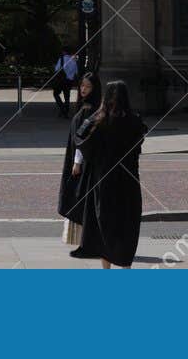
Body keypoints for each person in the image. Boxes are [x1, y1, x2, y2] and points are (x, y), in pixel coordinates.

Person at [70, 79, 146, 269]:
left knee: (105, 223)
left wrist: (90, 157)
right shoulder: (134, 120)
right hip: (128, 180)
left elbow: (79, 137)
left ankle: (106, 270)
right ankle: (126, 266)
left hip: (104, 179)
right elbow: (139, 141)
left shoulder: (98, 119)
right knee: (127, 223)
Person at [57, 70, 100, 247]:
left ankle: (85, 238)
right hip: (82, 160)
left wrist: (77, 162)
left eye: (88, 87)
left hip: (82, 163)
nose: (83, 89)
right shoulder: (86, 107)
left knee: (78, 196)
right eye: (82, 85)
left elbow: (82, 139)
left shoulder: (89, 109)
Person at [52, 46, 79, 118]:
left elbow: (56, 69)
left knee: (56, 94)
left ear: (64, 52)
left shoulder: (61, 59)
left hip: (61, 80)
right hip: (69, 81)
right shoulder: (73, 60)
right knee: (67, 96)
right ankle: (66, 111)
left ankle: (62, 107)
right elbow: (76, 72)